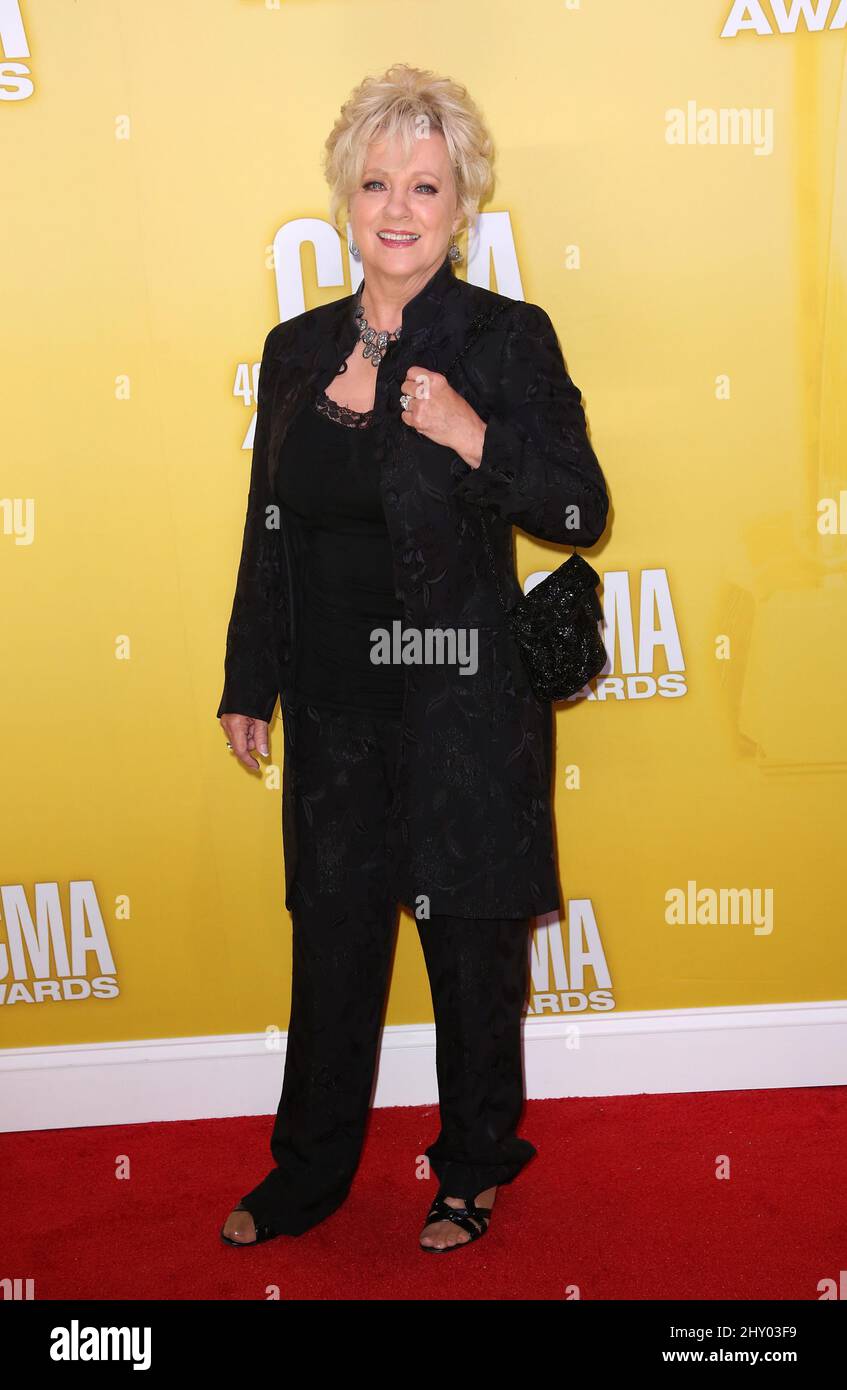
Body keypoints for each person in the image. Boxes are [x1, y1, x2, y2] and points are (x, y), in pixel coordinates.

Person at [216, 62, 609, 1252]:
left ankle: (473, 1165)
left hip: (462, 711)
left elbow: (581, 511)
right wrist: (250, 678)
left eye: (424, 186)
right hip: (335, 715)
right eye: (377, 181)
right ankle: (310, 1172)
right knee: (332, 947)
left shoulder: (504, 339)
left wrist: (470, 429)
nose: (398, 207)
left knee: (469, 954)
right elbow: (265, 528)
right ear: (347, 196)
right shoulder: (293, 351)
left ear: (459, 207)